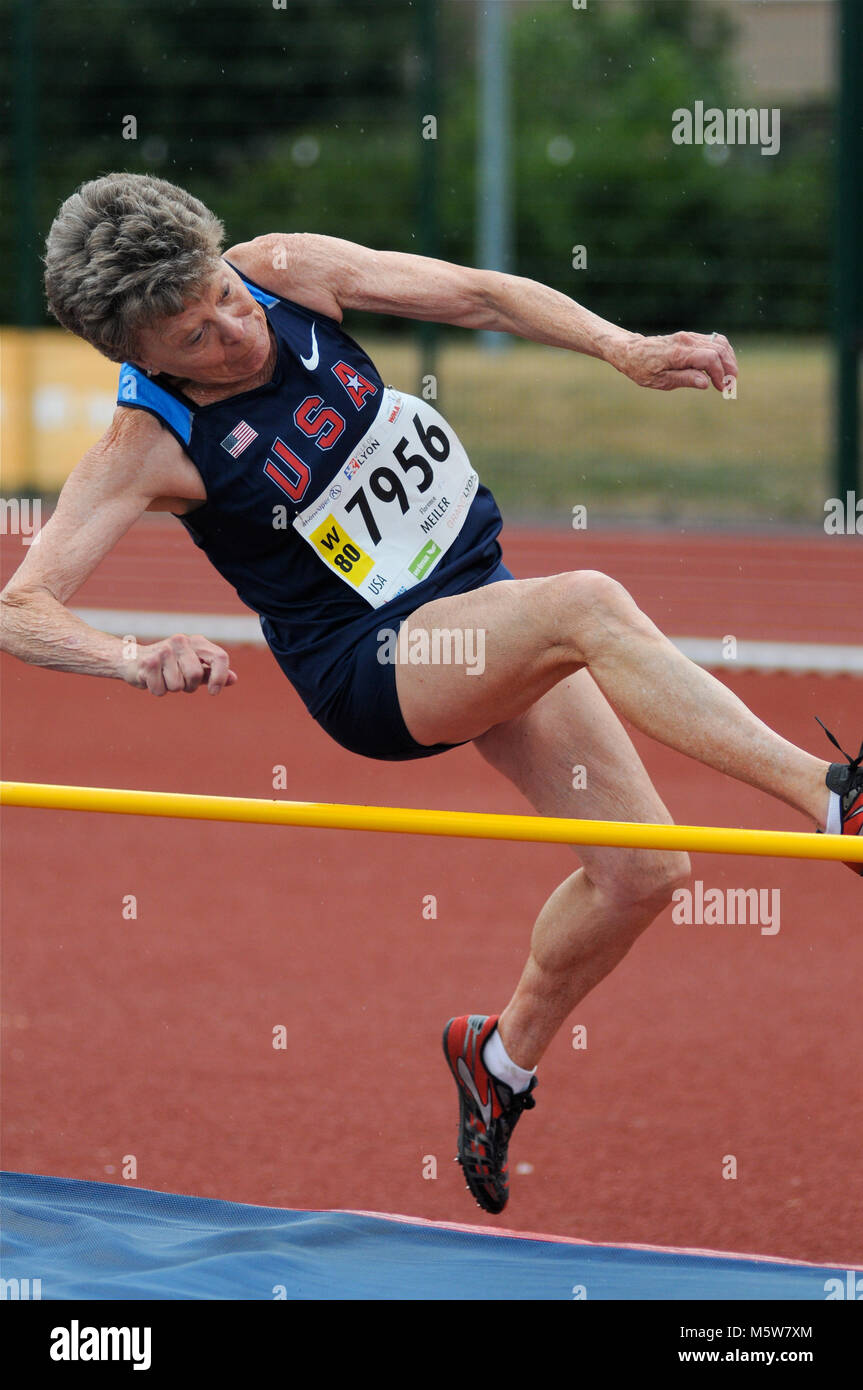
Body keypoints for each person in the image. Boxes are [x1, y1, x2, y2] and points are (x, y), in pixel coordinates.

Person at [2, 173, 859, 1216]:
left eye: (221, 293)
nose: (234, 330)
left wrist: (623, 350)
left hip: (474, 605)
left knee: (643, 872)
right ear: (137, 358)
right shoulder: (148, 446)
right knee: (585, 601)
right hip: (374, 667)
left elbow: (481, 297)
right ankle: (831, 798)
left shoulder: (283, 272)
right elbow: (21, 606)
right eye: (194, 335)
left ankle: (497, 1061)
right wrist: (134, 657)